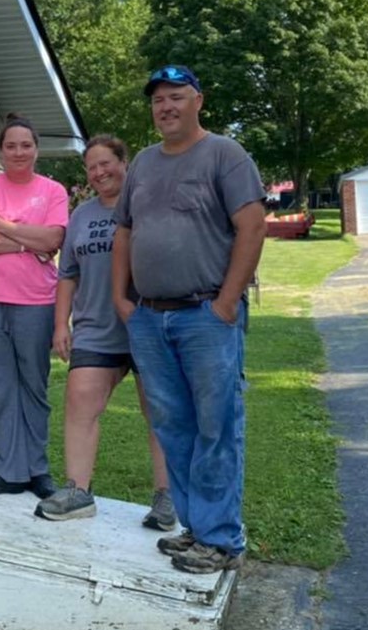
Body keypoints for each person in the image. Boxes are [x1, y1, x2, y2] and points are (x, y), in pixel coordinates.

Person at [112, 66, 266, 574]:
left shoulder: (225, 154)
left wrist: (226, 303)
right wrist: (121, 298)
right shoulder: (142, 164)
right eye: (158, 100)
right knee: (173, 427)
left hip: (206, 316)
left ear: (198, 100)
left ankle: (221, 538)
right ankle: (197, 529)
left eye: (176, 97)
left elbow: (252, 226)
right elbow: (125, 233)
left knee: (216, 426)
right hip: (151, 319)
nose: (166, 107)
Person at [34, 135, 176, 530]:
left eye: (105, 163)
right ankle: (78, 492)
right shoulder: (81, 215)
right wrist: (61, 324)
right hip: (96, 329)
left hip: (148, 324)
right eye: (91, 167)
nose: (99, 173)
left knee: (160, 414)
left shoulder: (150, 203)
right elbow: (68, 273)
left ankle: (167, 497)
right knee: (80, 403)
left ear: (124, 162)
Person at [0, 113, 68, 499]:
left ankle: (38, 470)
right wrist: (29, 242)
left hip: (36, 302)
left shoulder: (53, 191)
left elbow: (54, 237)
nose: (18, 152)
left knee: (33, 386)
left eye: (26, 145)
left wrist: (4, 227)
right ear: (0, 150)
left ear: (36, 149)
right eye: (11, 145)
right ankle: (8, 470)